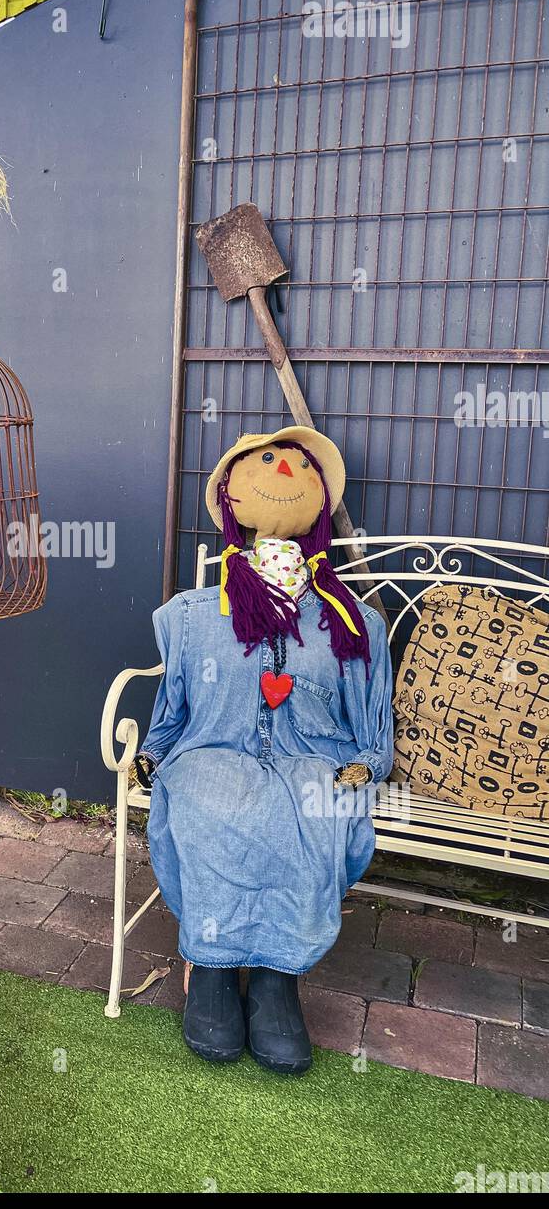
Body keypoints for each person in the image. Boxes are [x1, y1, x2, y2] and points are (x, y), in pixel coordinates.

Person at [136, 427, 393, 1074]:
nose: (281, 471)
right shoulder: (192, 614)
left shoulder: (350, 621)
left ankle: (278, 979)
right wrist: (153, 750)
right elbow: (171, 713)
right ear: (231, 500)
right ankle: (215, 967)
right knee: (207, 801)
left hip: (313, 757)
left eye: (296, 466)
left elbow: (370, 729)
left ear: (319, 500)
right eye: (266, 463)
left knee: (313, 809)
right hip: (209, 750)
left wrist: (366, 763)